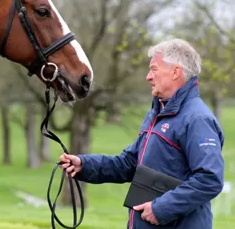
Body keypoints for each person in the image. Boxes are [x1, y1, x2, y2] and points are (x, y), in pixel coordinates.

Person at [59, 39, 225, 229]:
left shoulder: (197, 119)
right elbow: (129, 164)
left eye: (154, 69)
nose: (148, 77)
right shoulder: (156, 114)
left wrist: (161, 209)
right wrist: (85, 165)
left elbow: (209, 179)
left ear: (175, 72)